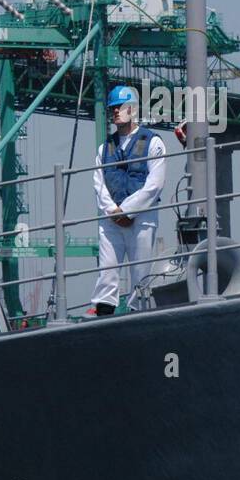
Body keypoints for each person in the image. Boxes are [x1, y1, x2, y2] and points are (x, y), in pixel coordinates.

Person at [89, 85, 166, 316]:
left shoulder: (153, 143)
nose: (115, 112)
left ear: (132, 110)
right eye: (112, 108)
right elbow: (98, 183)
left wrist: (127, 211)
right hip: (111, 219)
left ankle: (137, 314)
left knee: (140, 272)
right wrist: (114, 211)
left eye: (119, 108)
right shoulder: (104, 148)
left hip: (142, 219)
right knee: (107, 269)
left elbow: (154, 184)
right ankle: (104, 313)